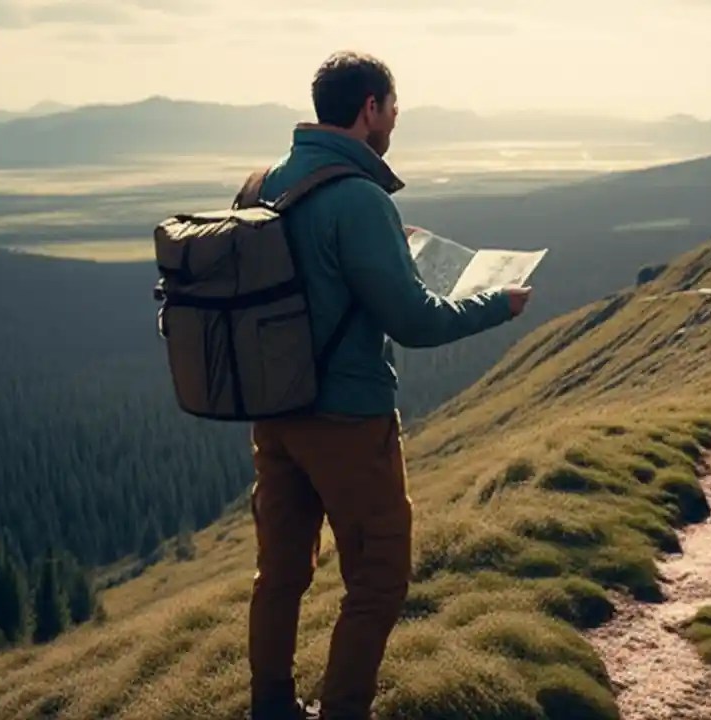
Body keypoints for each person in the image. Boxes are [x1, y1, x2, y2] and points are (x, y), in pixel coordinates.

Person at [245, 51, 532, 720]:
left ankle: (271, 705)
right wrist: (498, 304)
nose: (395, 121)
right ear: (369, 108)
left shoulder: (265, 182)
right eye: (393, 108)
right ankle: (345, 710)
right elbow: (412, 322)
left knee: (281, 572)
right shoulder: (359, 197)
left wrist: (384, 249)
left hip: (274, 414)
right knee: (377, 578)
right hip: (347, 420)